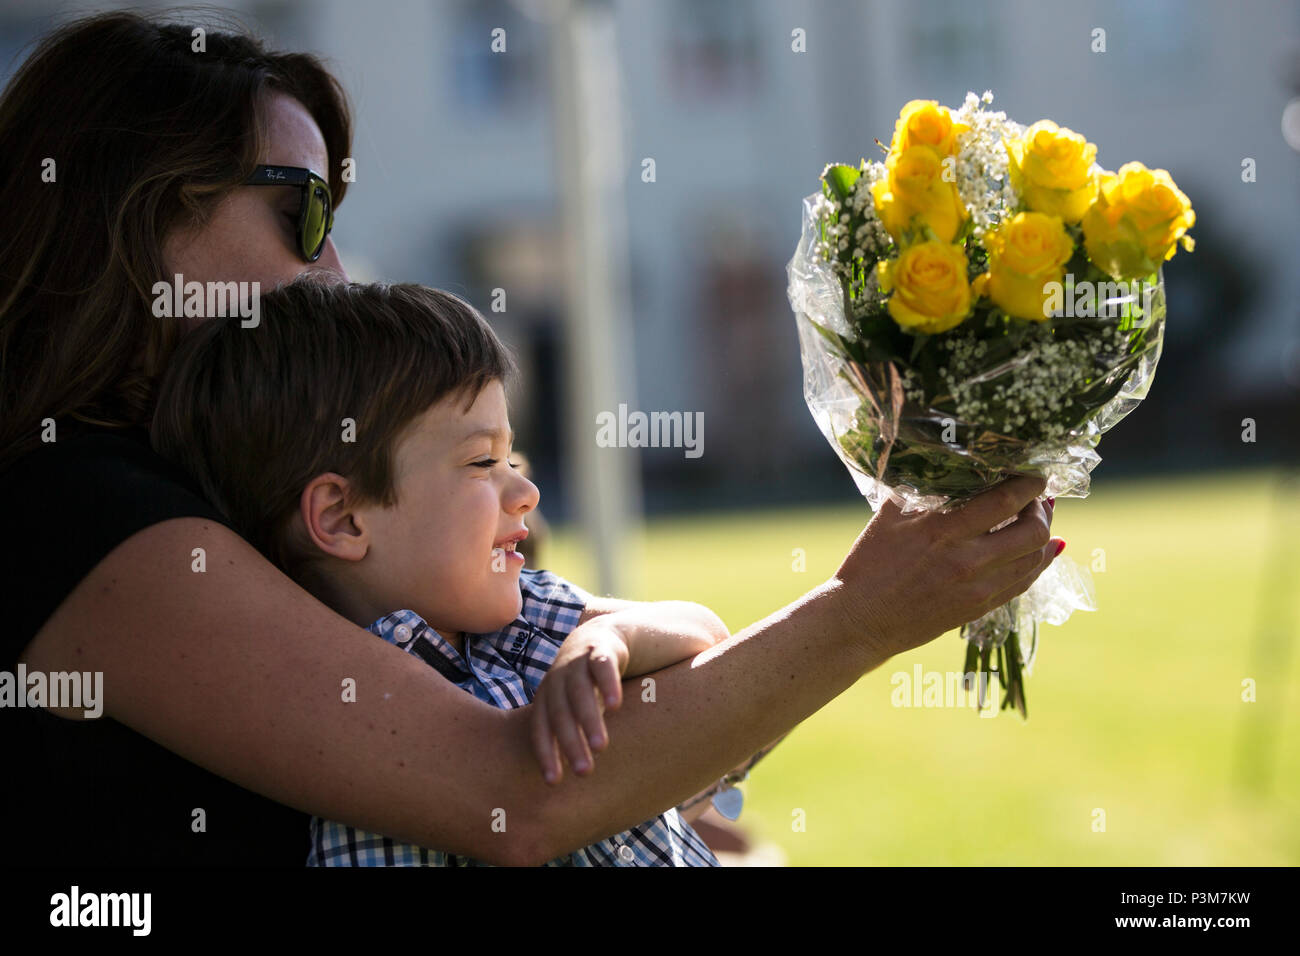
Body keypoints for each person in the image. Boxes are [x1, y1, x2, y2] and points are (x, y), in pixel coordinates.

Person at [0, 11, 1063, 866]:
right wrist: (864, 614)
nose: (334, 263)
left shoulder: (224, 482)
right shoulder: (75, 508)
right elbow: (511, 795)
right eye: (307, 211)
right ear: (138, 215)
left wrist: (650, 790)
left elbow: (673, 679)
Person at [151, 277, 729, 866]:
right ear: (344, 518)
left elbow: (704, 630)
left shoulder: (525, 613)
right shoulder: (347, 736)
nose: (526, 490)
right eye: (482, 461)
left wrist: (608, 637)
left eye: (510, 456)